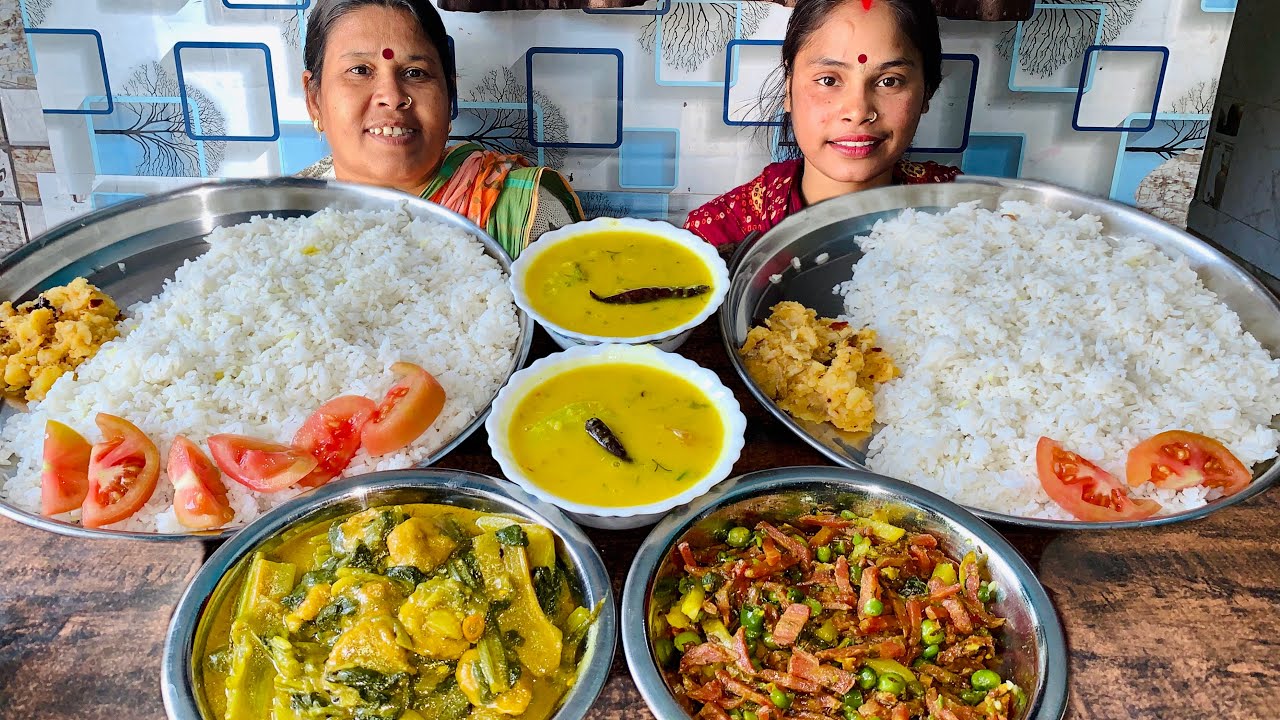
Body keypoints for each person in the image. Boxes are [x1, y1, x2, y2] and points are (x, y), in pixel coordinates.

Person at [299, 0, 583, 257]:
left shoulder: (524, 212)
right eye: (360, 70)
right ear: (314, 100)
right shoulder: (285, 218)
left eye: (415, 73)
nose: (393, 96)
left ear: (450, 98)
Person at [685, 0, 960, 248]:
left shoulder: (967, 217)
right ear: (788, 89)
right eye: (828, 80)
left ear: (927, 93)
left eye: (889, 80)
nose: (858, 111)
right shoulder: (715, 240)